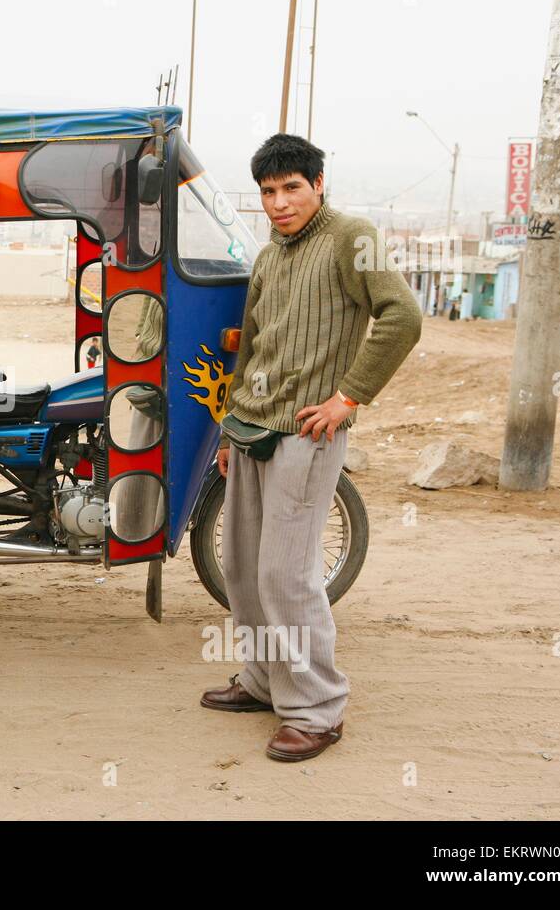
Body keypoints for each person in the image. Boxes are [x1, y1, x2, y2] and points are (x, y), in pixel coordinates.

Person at [206, 134, 422, 763]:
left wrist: (349, 398)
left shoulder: (351, 237)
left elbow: (402, 316)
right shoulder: (272, 254)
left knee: (286, 574)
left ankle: (317, 710)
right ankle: (264, 681)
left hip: (308, 430)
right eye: (268, 192)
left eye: (291, 188)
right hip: (250, 427)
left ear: (319, 183)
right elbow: (252, 346)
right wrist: (228, 426)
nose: (279, 203)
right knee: (242, 567)